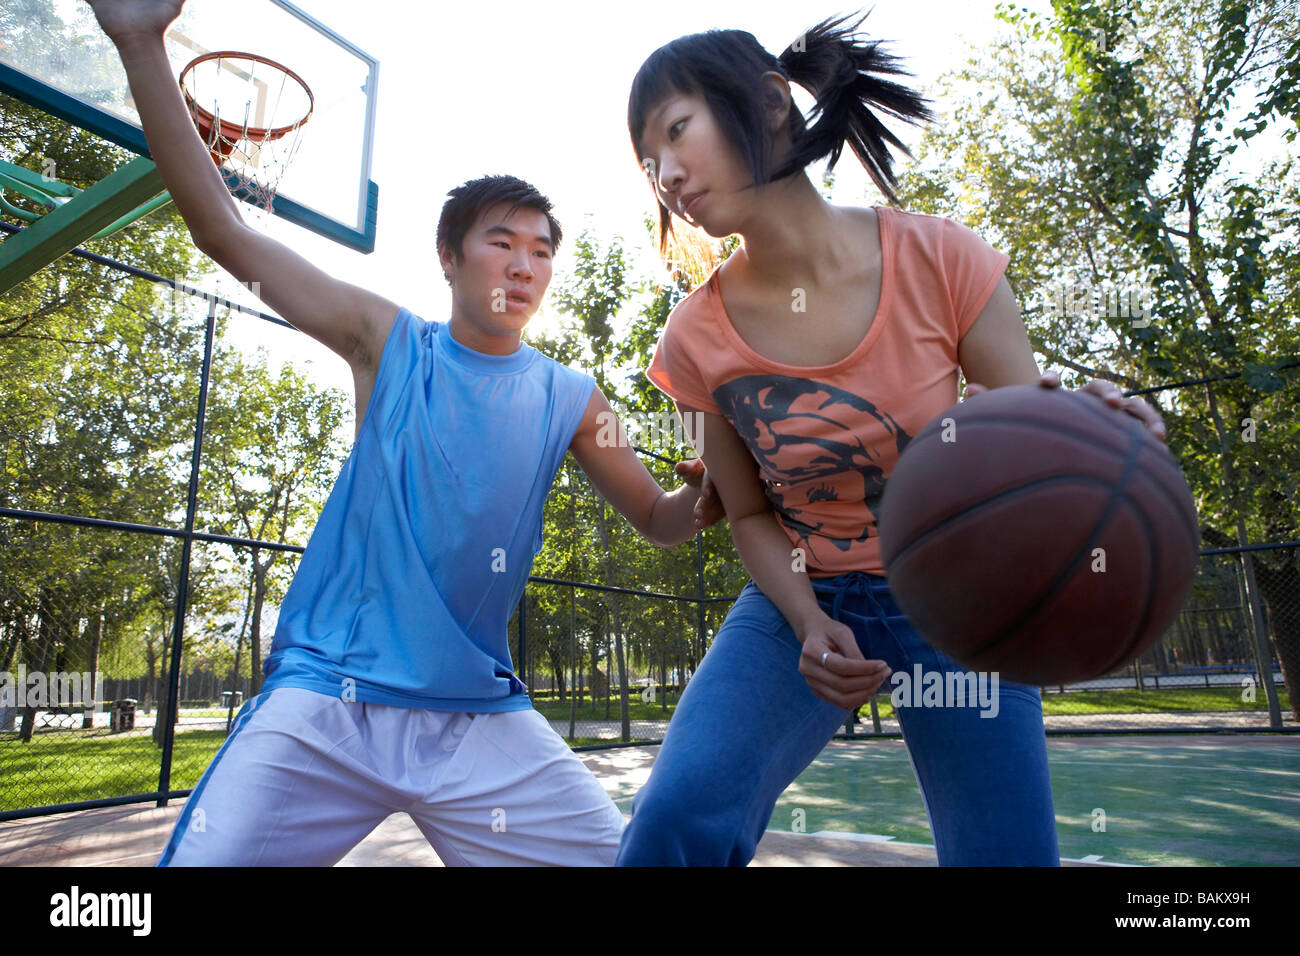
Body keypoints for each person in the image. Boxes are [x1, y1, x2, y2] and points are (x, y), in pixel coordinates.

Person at [85, 0, 723, 866]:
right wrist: (137, 38)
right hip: (329, 704)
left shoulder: (572, 395)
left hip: (476, 718)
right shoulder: (387, 342)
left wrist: (706, 496)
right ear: (449, 258)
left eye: (541, 250)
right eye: (502, 242)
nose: (525, 264)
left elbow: (658, 520)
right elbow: (222, 230)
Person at [617, 12, 1169, 866]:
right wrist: (805, 622)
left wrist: (1094, 428)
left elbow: (1029, 440)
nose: (667, 174)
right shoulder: (691, 341)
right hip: (806, 598)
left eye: (676, 131)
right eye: (648, 160)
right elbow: (751, 515)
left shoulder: (942, 259)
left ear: (769, 105)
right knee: (670, 824)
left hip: (954, 597)